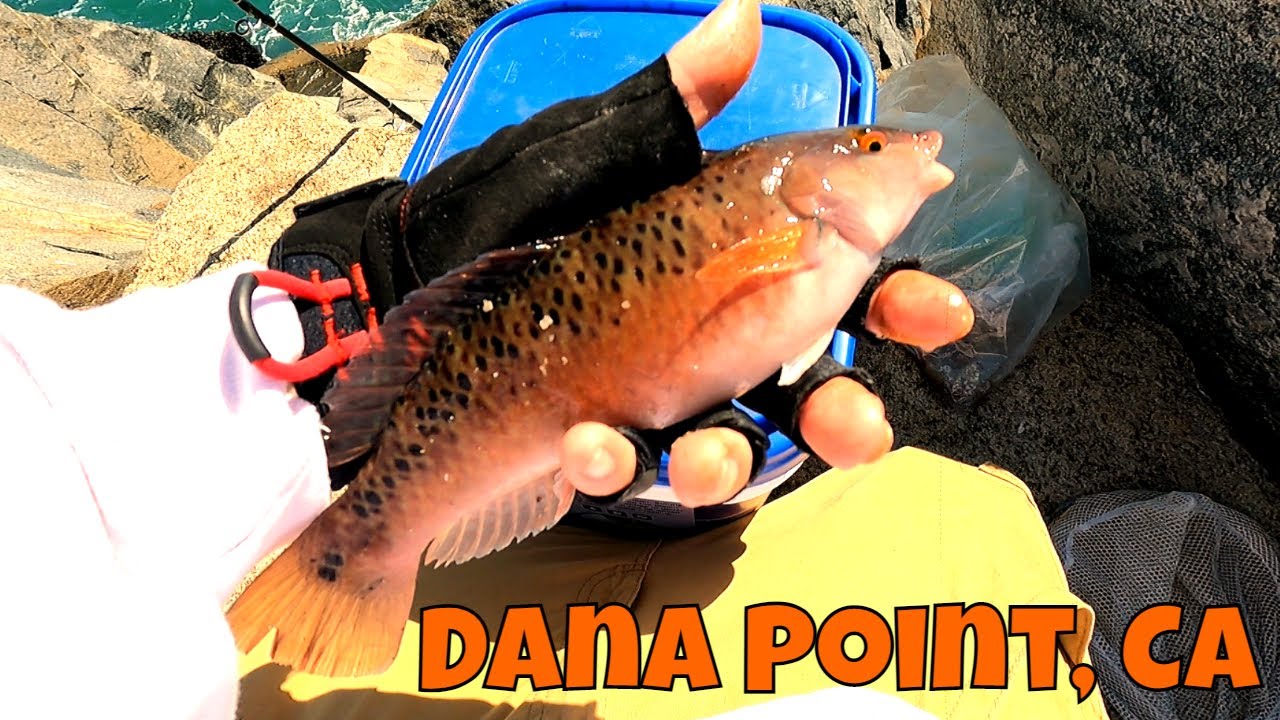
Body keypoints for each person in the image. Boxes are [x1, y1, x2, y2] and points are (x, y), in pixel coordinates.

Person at [0, 0, 1105, 718]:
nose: (905, 148)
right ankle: (361, 546)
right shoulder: (796, 231)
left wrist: (323, 344)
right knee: (971, 520)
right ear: (817, 180)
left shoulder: (815, 239)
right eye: (866, 143)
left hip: (376, 505)